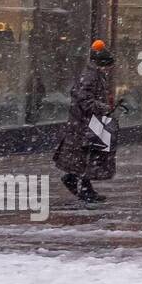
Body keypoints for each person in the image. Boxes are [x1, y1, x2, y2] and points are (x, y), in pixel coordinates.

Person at [53, 40, 122, 203]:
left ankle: (83, 186)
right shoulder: (90, 76)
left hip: (89, 123)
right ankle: (83, 188)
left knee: (86, 158)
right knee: (86, 157)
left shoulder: (95, 75)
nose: (109, 69)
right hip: (85, 124)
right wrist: (103, 108)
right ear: (101, 63)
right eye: (108, 65)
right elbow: (84, 100)